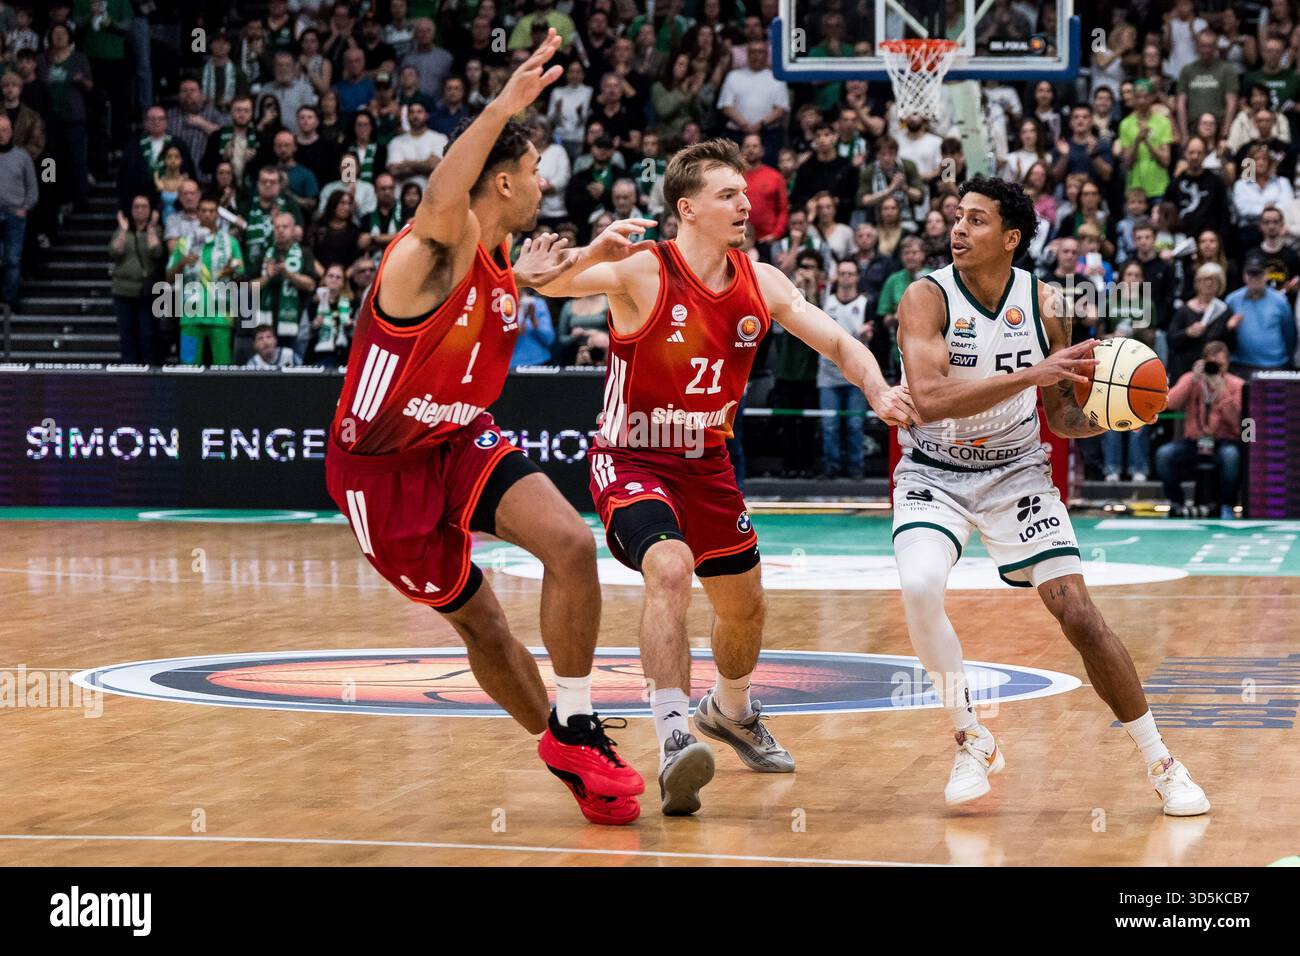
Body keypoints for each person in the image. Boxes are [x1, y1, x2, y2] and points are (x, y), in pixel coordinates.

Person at [522, 138, 916, 815]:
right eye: (729, 195)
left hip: (707, 463)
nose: (746, 204)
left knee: (745, 608)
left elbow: (841, 342)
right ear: (688, 208)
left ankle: (730, 710)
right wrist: (564, 261)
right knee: (669, 569)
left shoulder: (760, 281)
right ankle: (675, 738)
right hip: (633, 456)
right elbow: (554, 284)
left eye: (745, 193)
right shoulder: (644, 268)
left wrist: (878, 389)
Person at [325, 31, 643, 826]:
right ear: (503, 180)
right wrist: (505, 102)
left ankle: (575, 722)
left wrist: (555, 271)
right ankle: (566, 755)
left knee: (572, 544)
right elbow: (442, 197)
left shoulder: (501, 263)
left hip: (457, 439)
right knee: (482, 621)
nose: (544, 184)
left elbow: (515, 284)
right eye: (535, 172)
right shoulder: (433, 249)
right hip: (381, 472)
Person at [891, 175, 1209, 816]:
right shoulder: (925, 298)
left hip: (1017, 474)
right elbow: (926, 398)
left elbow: (1061, 415)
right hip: (933, 472)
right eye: (957, 217)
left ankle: (1162, 762)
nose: (958, 229)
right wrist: (1029, 374)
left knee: (1080, 614)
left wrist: (1116, 415)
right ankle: (970, 736)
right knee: (922, 589)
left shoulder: (1047, 304)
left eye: (976, 221)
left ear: (1011, 238)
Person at [1156, 340, 1244, 519]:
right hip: (1193, 442)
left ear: (1227, 363)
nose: (1215, 368)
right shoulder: (1192, 379)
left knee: (1231, 456)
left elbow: (1237, 422)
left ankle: (1226, 504)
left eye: (1219, 364)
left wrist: (1222, 391)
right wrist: (1192, 380)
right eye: (1211, 363)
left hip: (1223, 441)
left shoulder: (1237, 384)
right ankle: (1177, 503)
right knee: (1164, 455)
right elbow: (1169, 403)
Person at [165, 196, 245, 366]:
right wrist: (181, 263)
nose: (208, 214)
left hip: (221, 314)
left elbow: (241, 274)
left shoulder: (230, 243)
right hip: (190, 315)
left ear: (217, 215)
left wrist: (232, 272)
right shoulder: (184, 243)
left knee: (223, 368)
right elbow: (168, 278)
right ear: (198, 214)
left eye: (212, 211)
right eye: (204, 211)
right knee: (188, 368)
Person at [819, 258, 873, 479]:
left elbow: (872, 335)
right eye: (842, 273)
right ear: (837, 276)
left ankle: (855, 469)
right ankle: (831, 469)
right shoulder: (826, 301)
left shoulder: (865, 303)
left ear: (857, 277)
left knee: (853, 424)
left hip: (856, 375)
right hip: (828, 374)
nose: (846, 278)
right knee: (829, 425)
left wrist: (868, 335)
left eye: (850, 274)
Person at [108, 196, 164, 364]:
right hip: (123, 290)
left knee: (147, 334)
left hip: (146, 292)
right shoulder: (122, 231)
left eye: (144, 206)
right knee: (127, 335)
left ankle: (149, 369)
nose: (140, 210)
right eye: (136, 206)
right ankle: (129, 369)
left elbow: (157, 252)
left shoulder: (157, 230)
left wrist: (152, 228)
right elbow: (115, 252)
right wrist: (124, 231)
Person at [1224, 254, 1296, 374]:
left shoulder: (1280, 301)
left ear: (1266, 275)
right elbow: (1224, 333)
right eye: (1250, 274)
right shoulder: (1232, 300)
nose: (1254, 278)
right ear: (1244, 276)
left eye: (1258, 274)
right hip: (1241, 364)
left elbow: (1289, 334)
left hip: (1275, 364)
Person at [0, 112, 36, 308]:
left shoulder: (22, 157)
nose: (1, 134)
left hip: (15, 214)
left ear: (11, 132)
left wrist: (25, 207)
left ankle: (9, 299)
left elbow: (33, 187)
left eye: (5, 130)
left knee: (13, 259)